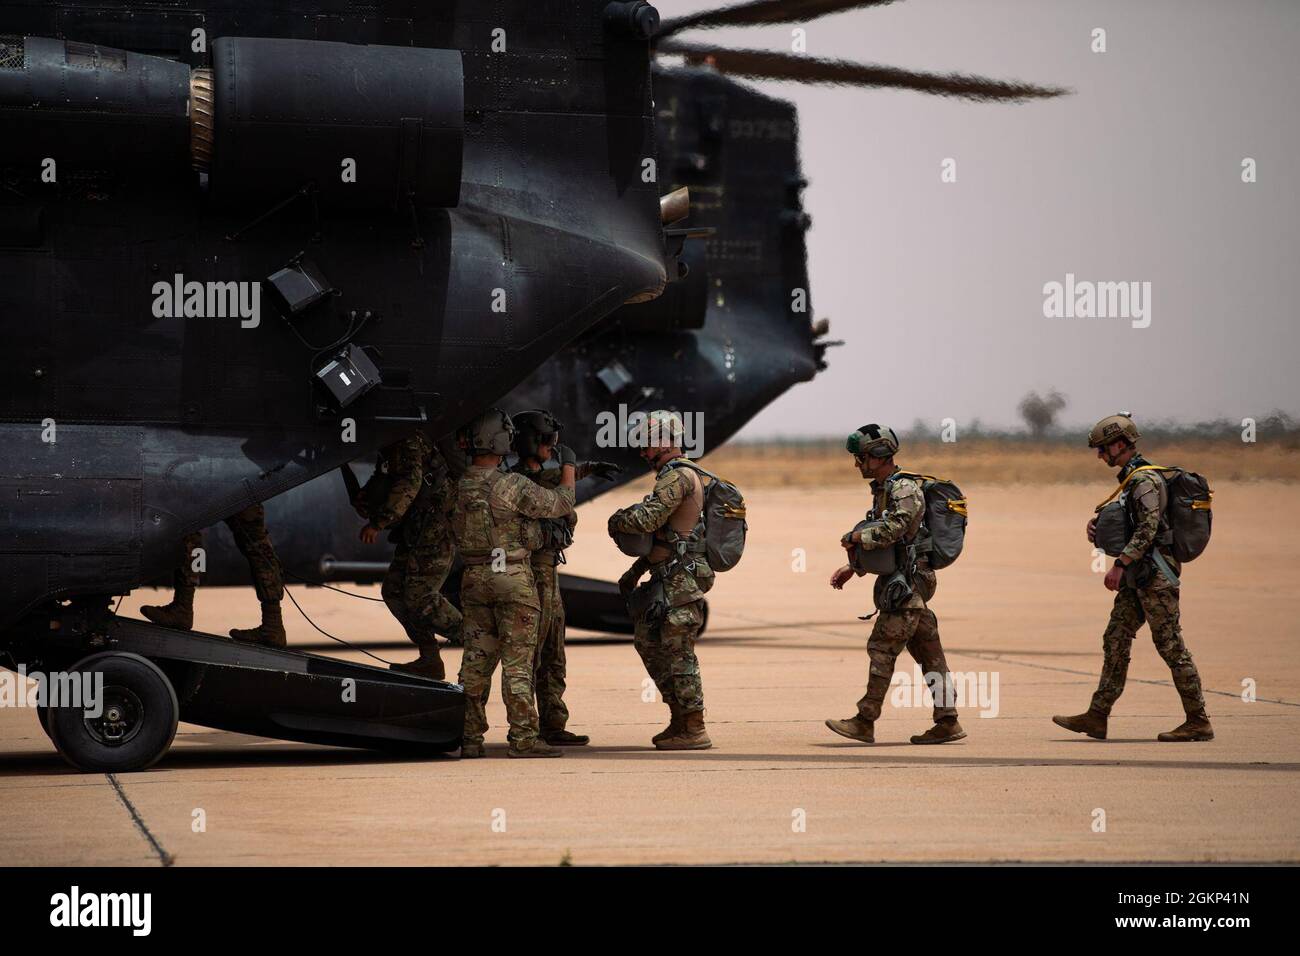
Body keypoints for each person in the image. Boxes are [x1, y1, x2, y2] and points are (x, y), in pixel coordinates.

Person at [1053, 413, 1213, 742]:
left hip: (1155, 576)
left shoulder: (1145, 481)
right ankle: (1097, 716)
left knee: (1170, 645)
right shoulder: (1131, 481)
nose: (1100, 455)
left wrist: (1120, 564)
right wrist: (1098, 531)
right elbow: (1130, 523)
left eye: (1103, 449)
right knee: (1115, 637)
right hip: (1140, 577)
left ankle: (1198, 721)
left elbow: (1147, 529)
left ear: (1121, 444)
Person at [825, 424, 965, 745]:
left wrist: (859, 536)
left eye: (861, 457)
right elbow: (897, 544)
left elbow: (897, 528)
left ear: (878, 454)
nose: (857, 464)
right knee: (929, 651)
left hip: (909, 584)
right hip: (907, 580)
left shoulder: (904, 489)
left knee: (882, 647)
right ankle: (948, 721)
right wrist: (853, 567)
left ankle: (865, 720)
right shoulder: (883, 489)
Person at [452, 408, 576, 758]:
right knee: (517, 663)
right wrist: (569, 468)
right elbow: (561, 503)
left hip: (475, 579)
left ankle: (470, 738)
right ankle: (523, 739)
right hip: (514, 581)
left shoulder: (460, 486)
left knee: (475, 663)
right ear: (500, 441)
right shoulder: (512, 484)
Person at [510, 409, 621, 745]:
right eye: (547, 440)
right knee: (533, 653)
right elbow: (558, 494)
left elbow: (552, 477)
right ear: (531, 442)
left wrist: (587, 468)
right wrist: (575, 467)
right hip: (531, 574)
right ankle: (527, 728)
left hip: (549, 574)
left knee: (555, 653)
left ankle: (553, 725)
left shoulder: (538, 475)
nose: (552, 447)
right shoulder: (517, 481)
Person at [608, 410, 713, 750]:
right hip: (667, 580)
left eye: (645, 445)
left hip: (680, 585)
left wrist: (618, 519)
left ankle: (694, 727)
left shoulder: (678, 476)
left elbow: (647, 519)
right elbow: (663, 540)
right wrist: (634, 572)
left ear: (663, 442)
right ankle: (679, 719)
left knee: (679, 654)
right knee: (649, 643)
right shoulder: (675, 475)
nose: (642, 453)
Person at [352, 432, 460, 680]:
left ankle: (478, 640)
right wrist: (367, 496)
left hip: (437, 526)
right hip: (416, 526)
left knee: (421, 597)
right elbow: (386, 475)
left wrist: (379, 523)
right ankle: (430, 658)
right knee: (393, 591)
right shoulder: (390, 445)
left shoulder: (407, 440)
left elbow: (410, 484)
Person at [141, 504, 287, 648]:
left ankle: (183, 606)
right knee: (258, 545)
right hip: (240, 485)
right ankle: (273, 623)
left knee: (190, 532)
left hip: (213, 484)